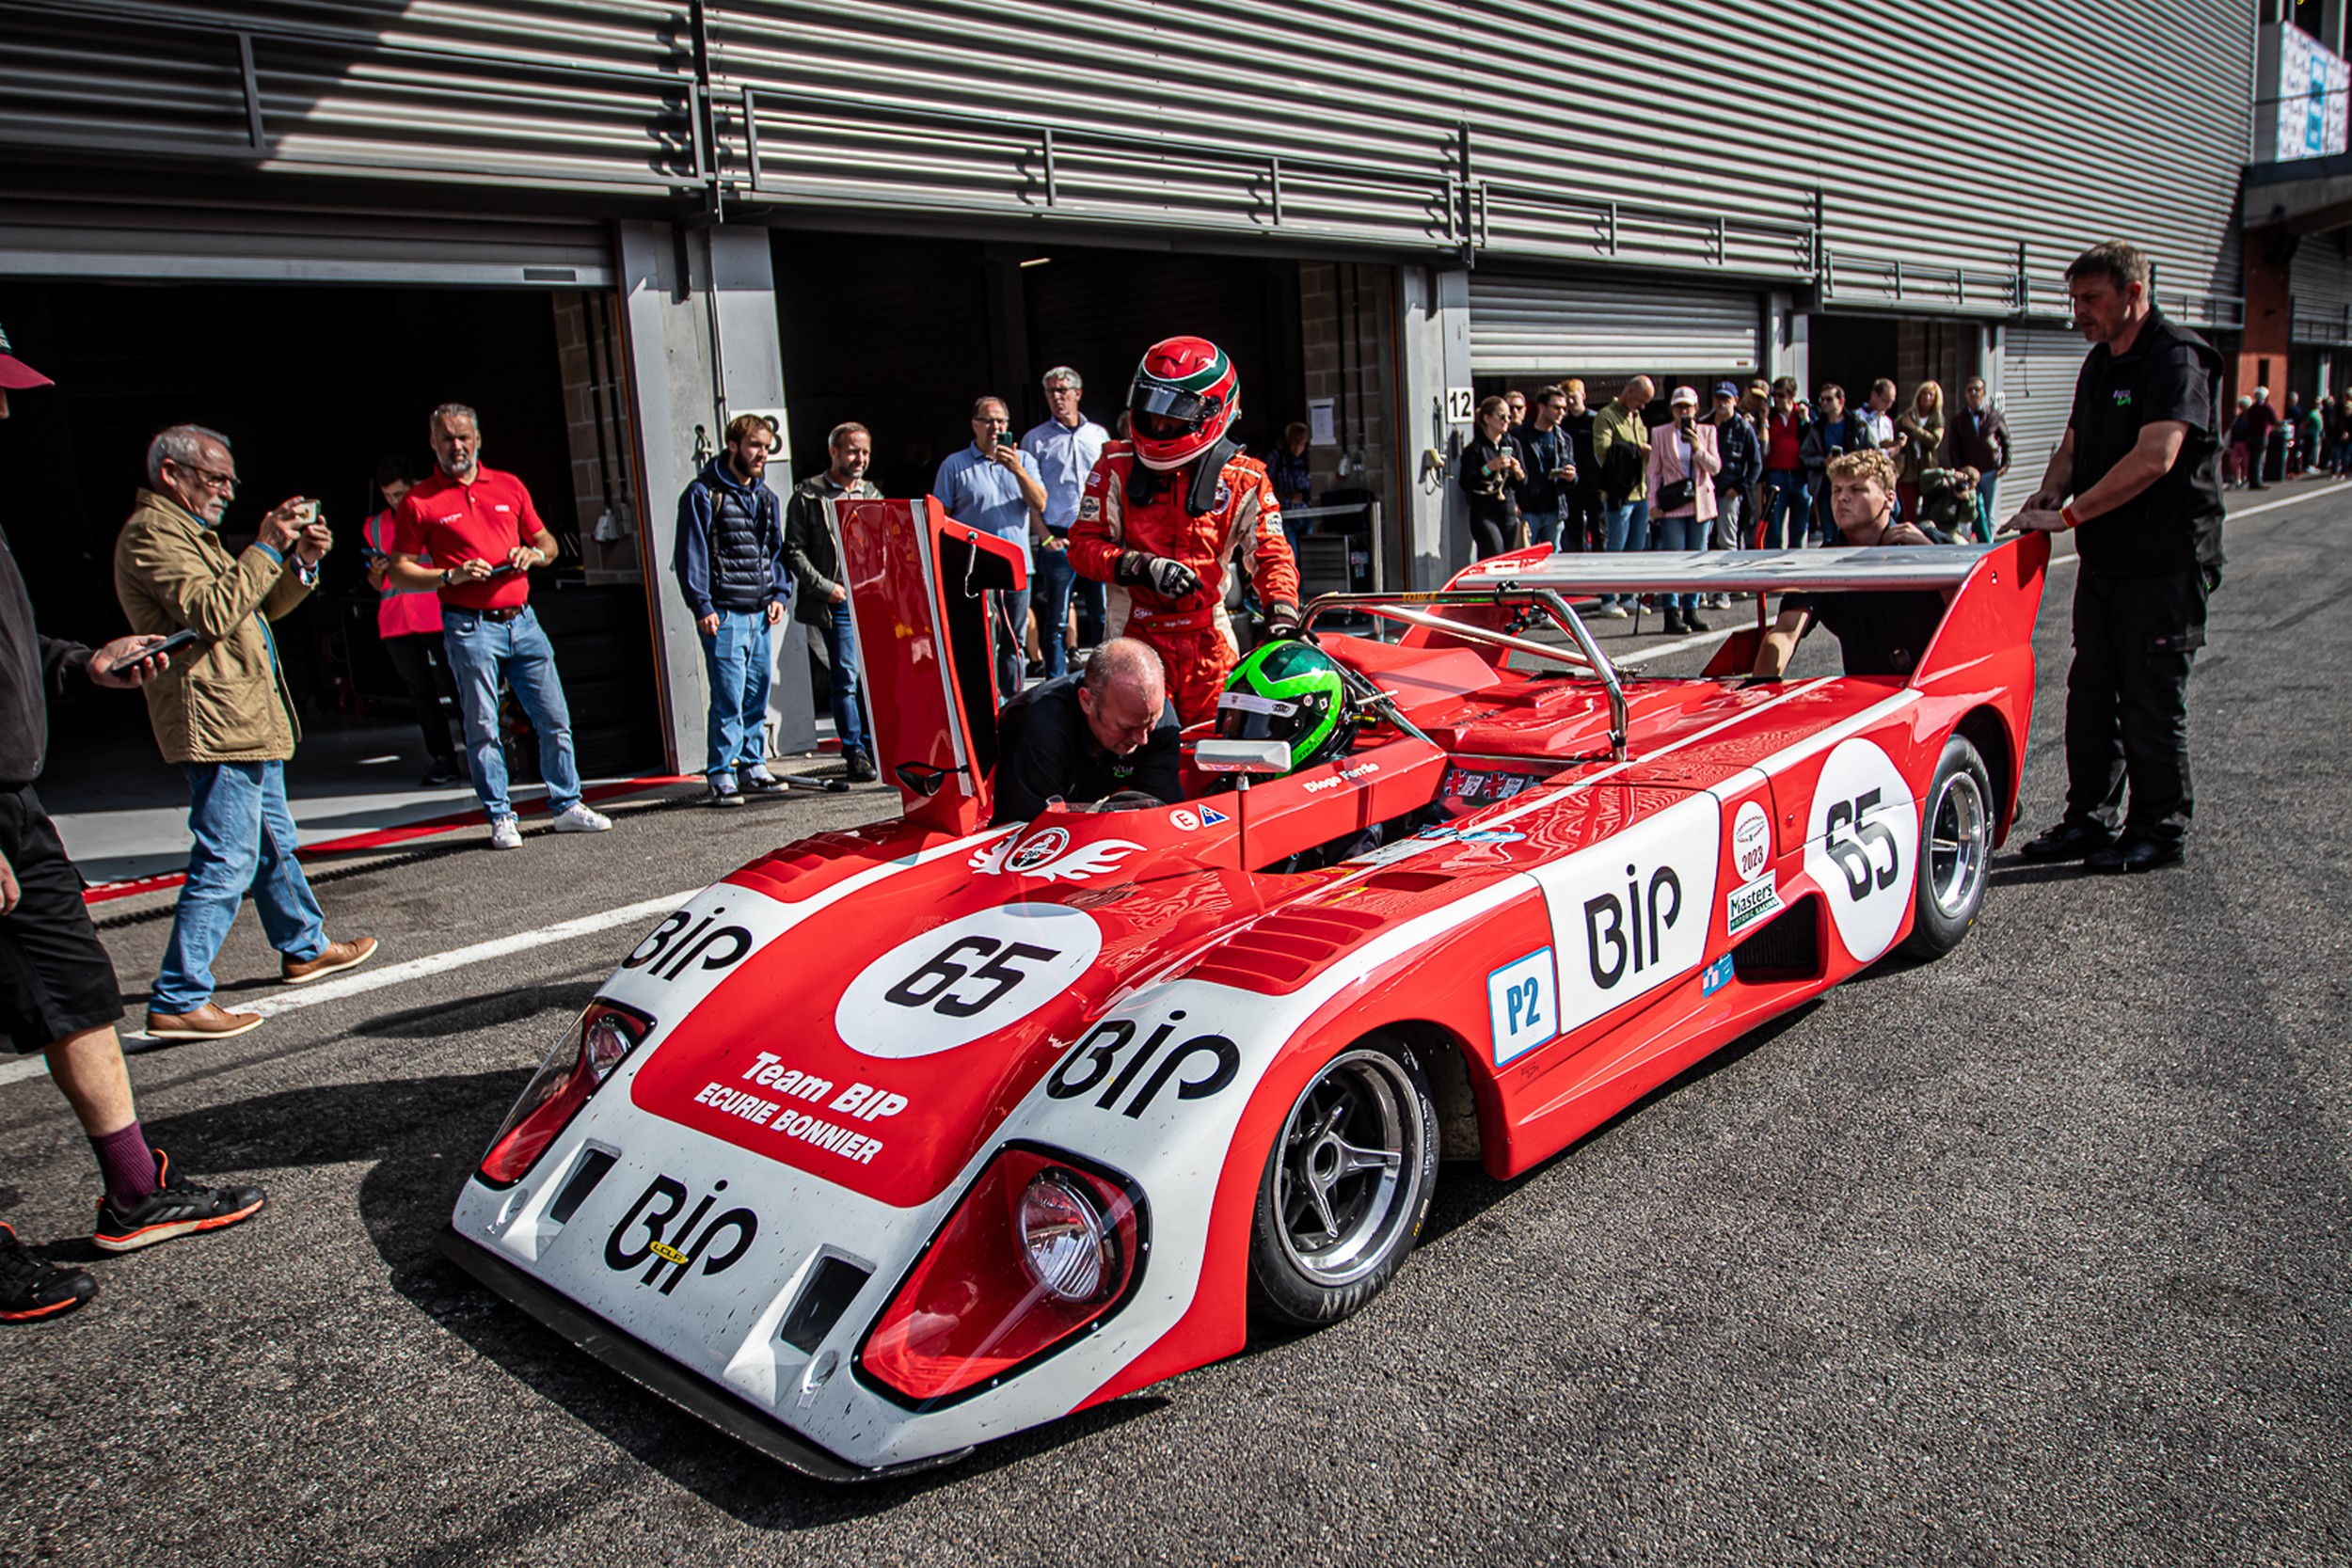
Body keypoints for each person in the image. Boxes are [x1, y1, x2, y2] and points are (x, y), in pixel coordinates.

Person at [1, 340, 267, 1318]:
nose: (4, 413)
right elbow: (221, 603)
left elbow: (6, 642)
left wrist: (79, 664)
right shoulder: (154, 532)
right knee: (226, 855)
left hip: (17, 801)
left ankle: (134, 1187)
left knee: (75, 990)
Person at [115, 426, 380, 1041]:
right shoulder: (152, 534)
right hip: (215, 718)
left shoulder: (189, 532)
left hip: (243, 715)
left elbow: (255, 606)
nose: (228, 491)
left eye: (231, 479)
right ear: (171, 474)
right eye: (215, 478)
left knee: (272, 843)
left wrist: (302, 562)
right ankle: (180, 994)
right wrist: (265, 545)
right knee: (227, 855)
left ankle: (304, 945)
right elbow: (211, 612)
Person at [2005, 240, 2226, 875]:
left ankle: (2159, 827)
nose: (2079, 313)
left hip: (2165, 562)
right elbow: (2073, 444)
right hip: (2108, 562)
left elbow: (2156, 456)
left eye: (2091, 299)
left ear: (2135, 292)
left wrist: (2070, 515)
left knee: (2151, 697)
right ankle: (2089, 819)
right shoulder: (2100, 363)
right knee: (2092, 693)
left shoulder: (2175, 357)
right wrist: (2049, 492)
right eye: (2074, 300)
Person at [388, 404, 612, 849]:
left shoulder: (508, 485)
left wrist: (535, 554)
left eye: (464, 437)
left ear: (478, 439)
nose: (457, 446)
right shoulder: (418, 502)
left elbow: (545, 540)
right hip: (469, 626)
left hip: (523, 619)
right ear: (433, 443)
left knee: (554, 716)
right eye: (447, 438)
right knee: (483, 724)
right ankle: (500, 815)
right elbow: (398, 571)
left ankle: (567, 804)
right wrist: (450, 576)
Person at [1068, 336, 1301, 726]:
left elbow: (1271, 554)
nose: (1158, 423)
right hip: (1133, 640)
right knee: (1128, 752)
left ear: (1212, 412)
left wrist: (1282, 614)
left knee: (1216, 749)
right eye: (1152, 409)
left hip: (1209, 644)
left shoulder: (1246, 478)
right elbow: (1081, 547)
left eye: (1174, 413)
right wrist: (1140, 566)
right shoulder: (1116, 465)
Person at [673, 413, 792, 806]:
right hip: (724, 613)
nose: (762, 454)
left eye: (766, 446)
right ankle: (721, 772)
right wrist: (702, 604)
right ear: (733, 446)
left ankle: (753, 765)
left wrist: (778, 594)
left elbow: (775, 551)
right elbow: (692, 553)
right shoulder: (703, 493)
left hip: (760, 612)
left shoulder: (765, 496)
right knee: (728, 694)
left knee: (756, 693)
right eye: (755, 445)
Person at [1752, 448, 1949, 680]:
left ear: (1889, 499)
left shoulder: (1929, 542)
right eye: (1836, 490)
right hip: (1867, 698)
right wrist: (1759, 690)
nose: (1842, 497)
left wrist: (1932, 556)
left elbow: (1977, 615)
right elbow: (1785, 633)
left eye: (1856, 489)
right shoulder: (1826, 562)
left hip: (1937, 690)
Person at [990, 637, 1180, 825]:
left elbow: (1167, 813)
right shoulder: (1045, 726)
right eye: (1126, 727)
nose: (1142, 739)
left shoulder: (1158, 719)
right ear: (1087, 701)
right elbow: (1031, 829)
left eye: (1150, 723)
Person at [784, 421, 882, 784]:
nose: (860, 459)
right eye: (853, 451)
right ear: (834, 452)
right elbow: (792, 550)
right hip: (836, 599)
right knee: (846, 676)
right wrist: (825, 587)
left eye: (866, 452)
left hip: (869, 599)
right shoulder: (809, 496)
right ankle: (854, 750)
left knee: (873, 677)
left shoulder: (871, 494)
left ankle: (877, 746)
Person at [934, 395, 1050, 701]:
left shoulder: (1023, 461)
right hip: (974, 573)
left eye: (1001, 421)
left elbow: (1039, 503)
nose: (995, 428)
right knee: (979, 641)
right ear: (974, 425)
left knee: (1014, 641)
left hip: (1016, 570)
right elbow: (940, 519)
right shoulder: (954, 465)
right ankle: (983, 704)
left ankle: (1012, 704)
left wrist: (1017, 470)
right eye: (988, 421)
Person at [360, 454, 463, 787]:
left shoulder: (432, 512)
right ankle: (443, 760)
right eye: (389, 496)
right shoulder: (374, 526)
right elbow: (377, 584)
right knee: (421, 694)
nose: (395, 501)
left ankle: (480, 754)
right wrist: (377, 572)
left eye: (401, 494)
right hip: (396, 621)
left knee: (460, 687)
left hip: (436, 614)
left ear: (415, 486)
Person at [1019, 367, 1112, 680]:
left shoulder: (1098, 435)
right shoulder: (1035, 440)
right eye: (1050, 392)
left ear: (1078, 393)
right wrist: (1045, 537)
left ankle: (1103, 680)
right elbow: (1030, 495)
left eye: (1062, 390)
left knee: (1102, 614)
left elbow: (1112, 487)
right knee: (1057, 617)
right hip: (1057, 535)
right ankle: (1056, 684)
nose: (1056, 397)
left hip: (1096, 534)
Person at [1643, 387, 1722, 634]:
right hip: (1673, 505)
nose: (1683, 411)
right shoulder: (1660, 433)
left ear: (1696, 409)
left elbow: (1715, 467)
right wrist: (1652, 505)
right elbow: (1654, 471)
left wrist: (1697, 448)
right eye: (1679, 407)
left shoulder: (1707, 432)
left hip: (1700, 503)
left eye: (1688, 407)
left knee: (1697, 559)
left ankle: (1692, 609)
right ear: (1672, 409)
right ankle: (1671, 612)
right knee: (1673, 559)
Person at [1589, 375, 1655, 614]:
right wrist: (1638, 451)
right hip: (1619, 493)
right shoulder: (1606, 416)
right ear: (1628, 391)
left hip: (1640, 491)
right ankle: (1608, 597)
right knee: (1615, 546)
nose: (1643, 406)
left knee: (1635, 548)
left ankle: (1628, 595)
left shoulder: (1636, 417)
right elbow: (1603, 451)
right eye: (1640, 400)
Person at [1705, 380, 1761, 600]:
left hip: (1729, 491)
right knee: (1705, 542)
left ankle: (1725, 591)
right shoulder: (1704, 423)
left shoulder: (1744, 428)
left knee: (1727, 542)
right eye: (1719, 398)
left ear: (1735, 401)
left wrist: (1739, 488)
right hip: (1704, 492)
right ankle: (1704, 589)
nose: (1722, 403)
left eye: (1726, 399)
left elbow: (1756, 464)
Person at [1800, 384, 1876, 546]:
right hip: (1826, 482)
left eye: (1829, 399)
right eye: (1822, 400)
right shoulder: (1818, 427)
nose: (1824, 403)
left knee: (1851, 523)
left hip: (1852, 481)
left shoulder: (1856, 425)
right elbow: (1805, 456)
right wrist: (1823, 461)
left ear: (1841, 401)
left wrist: (1849, 460)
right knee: (1828, 530)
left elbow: (1871, 452)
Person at [1459, 396, 1528, 559]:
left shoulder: (1513, 445)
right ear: (1487, 418)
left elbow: (1523, 481)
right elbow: (1466, 482)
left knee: (1510, 558)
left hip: (1508, 511)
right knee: (1494, 554)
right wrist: (1488, 468)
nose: (1506, 420)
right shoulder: (1475, 449)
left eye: (1508, 417)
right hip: (1485, 513)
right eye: (1501, 416)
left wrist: (1518, 472)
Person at [1513, 384, 1578, 552]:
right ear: (1541, 407)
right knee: (1524, 558)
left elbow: (1571, 470)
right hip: (1527, 507)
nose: (1561, 412)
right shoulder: (1519, 436)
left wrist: (1571, 476)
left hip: (1554, 509)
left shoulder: (1564, 438)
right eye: (1556, 407)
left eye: (1564, 408)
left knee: (1552, 559)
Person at [1945, 377, 2010, 540]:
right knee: (1970, 511)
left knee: (1989, 513)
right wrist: (1960, 470)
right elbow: (1953, 447)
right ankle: (1968, 545)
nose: (1973, 393)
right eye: (1969, 390)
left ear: (1983, 393)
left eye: (1977, 390)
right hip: (1969, 474)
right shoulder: (1959, 420)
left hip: (1989, 472)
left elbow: (2006, 440)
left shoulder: (1994, 416)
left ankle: (1989, 546)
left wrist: (2005, 464)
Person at [1758, 376, 1810, 548]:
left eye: (1781, 395)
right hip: (1776, 474)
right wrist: (1764, 421)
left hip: (1799, 476)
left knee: (1798, 528)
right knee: (1773, 527)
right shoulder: (1771, 416)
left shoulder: (1802, 414)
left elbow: (1811, 440)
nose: (1777, 400)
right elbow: (1763, 447)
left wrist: (1805, 420)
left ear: (1792, 395)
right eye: (1774, 396)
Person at [1559, 379, 1604, 552]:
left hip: (1594, 483)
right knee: (1574, 531)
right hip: (1572, 485)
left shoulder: (1596, 420)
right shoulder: (1563, 423)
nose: (1570, 402)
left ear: (1583, 396)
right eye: (1566, 398)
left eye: (1573, 397)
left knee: (1598, 529)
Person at [1895, 380, 1947, 524]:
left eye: (1931, 395)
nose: (1927, 398)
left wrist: (1914, 429)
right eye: (1924, 394)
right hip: (1908, 468)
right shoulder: (1909, 415)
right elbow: (1896, 430)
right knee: (1909, 511)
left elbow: (1933, 441)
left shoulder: (1937, 420)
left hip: (1927, 467)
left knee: (1929, 510)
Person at [2239, 387, 2277, 491]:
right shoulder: (2266, 408)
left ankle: (2251, 480)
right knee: (2259, 459)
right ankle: (2257, 482)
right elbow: (2274, 420)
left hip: (2250, 435)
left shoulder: (2251, 408)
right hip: (2261, 436)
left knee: (2252, 459)